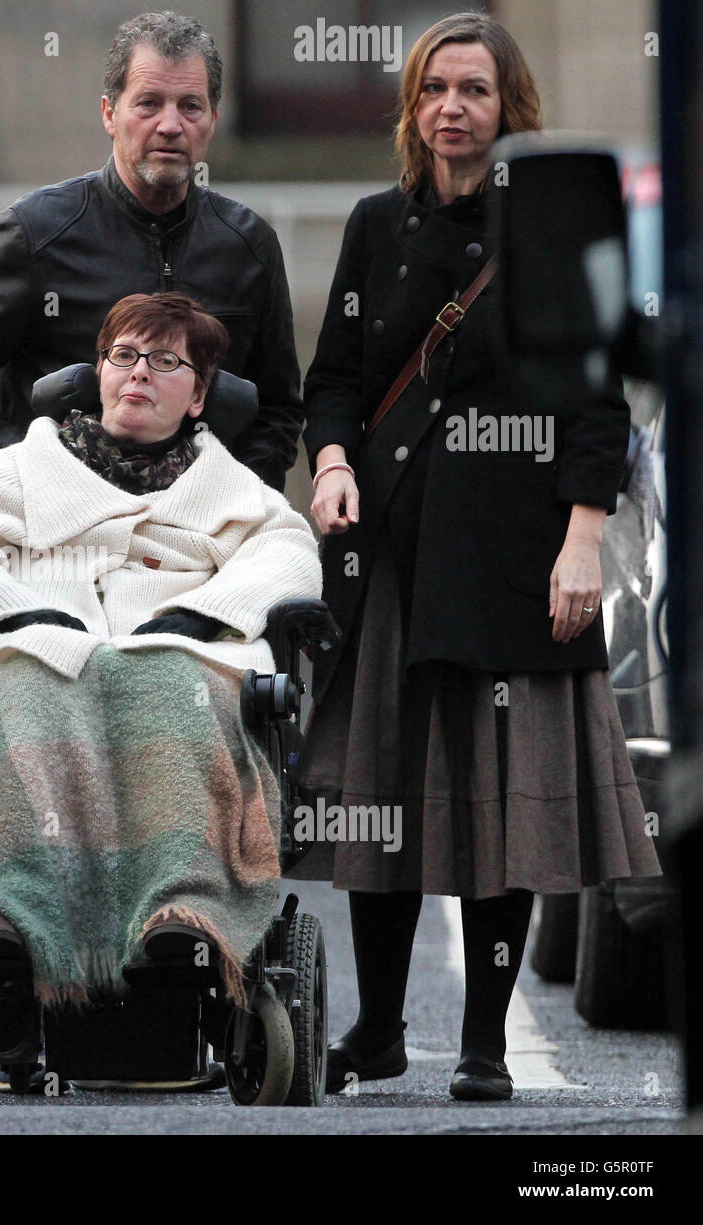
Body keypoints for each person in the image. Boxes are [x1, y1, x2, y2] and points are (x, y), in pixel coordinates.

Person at [297, 11, 660, 1102]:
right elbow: (336, 380)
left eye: (474, 90)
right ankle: (374, 1030)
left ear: (511, 110)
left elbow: (597, 399)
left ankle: (485, 1041)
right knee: (385, 799)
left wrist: (583, 540)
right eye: (433, 90)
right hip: (394, 551)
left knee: (504, 812)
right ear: (413, 109)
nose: (451, 107)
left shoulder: (545, 230)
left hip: (516, 557)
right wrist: (328, 466)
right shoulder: (374, 226)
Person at [0, 292, 321, 1023]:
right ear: (99, 371)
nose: (138, 372)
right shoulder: (20, 468)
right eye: (123, 355)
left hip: (179, 646)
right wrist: (22, 612)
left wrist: (202, 613)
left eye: (166, 361)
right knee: (27, 675)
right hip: (42, 635)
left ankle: (185, 907)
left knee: (172, 681)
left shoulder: (234, 487)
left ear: (199, 394)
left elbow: (290, 554)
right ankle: (7, 905)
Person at [0, 10, 303, 492]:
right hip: (58, 542)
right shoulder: (36, 232)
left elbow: (278, 406)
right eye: (149, 103)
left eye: (190, 106)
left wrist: (236, 499)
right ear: (109, 113)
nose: (170, 125)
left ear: (213, 120)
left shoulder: (249, 245)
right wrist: (20, 478)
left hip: (205, 545)